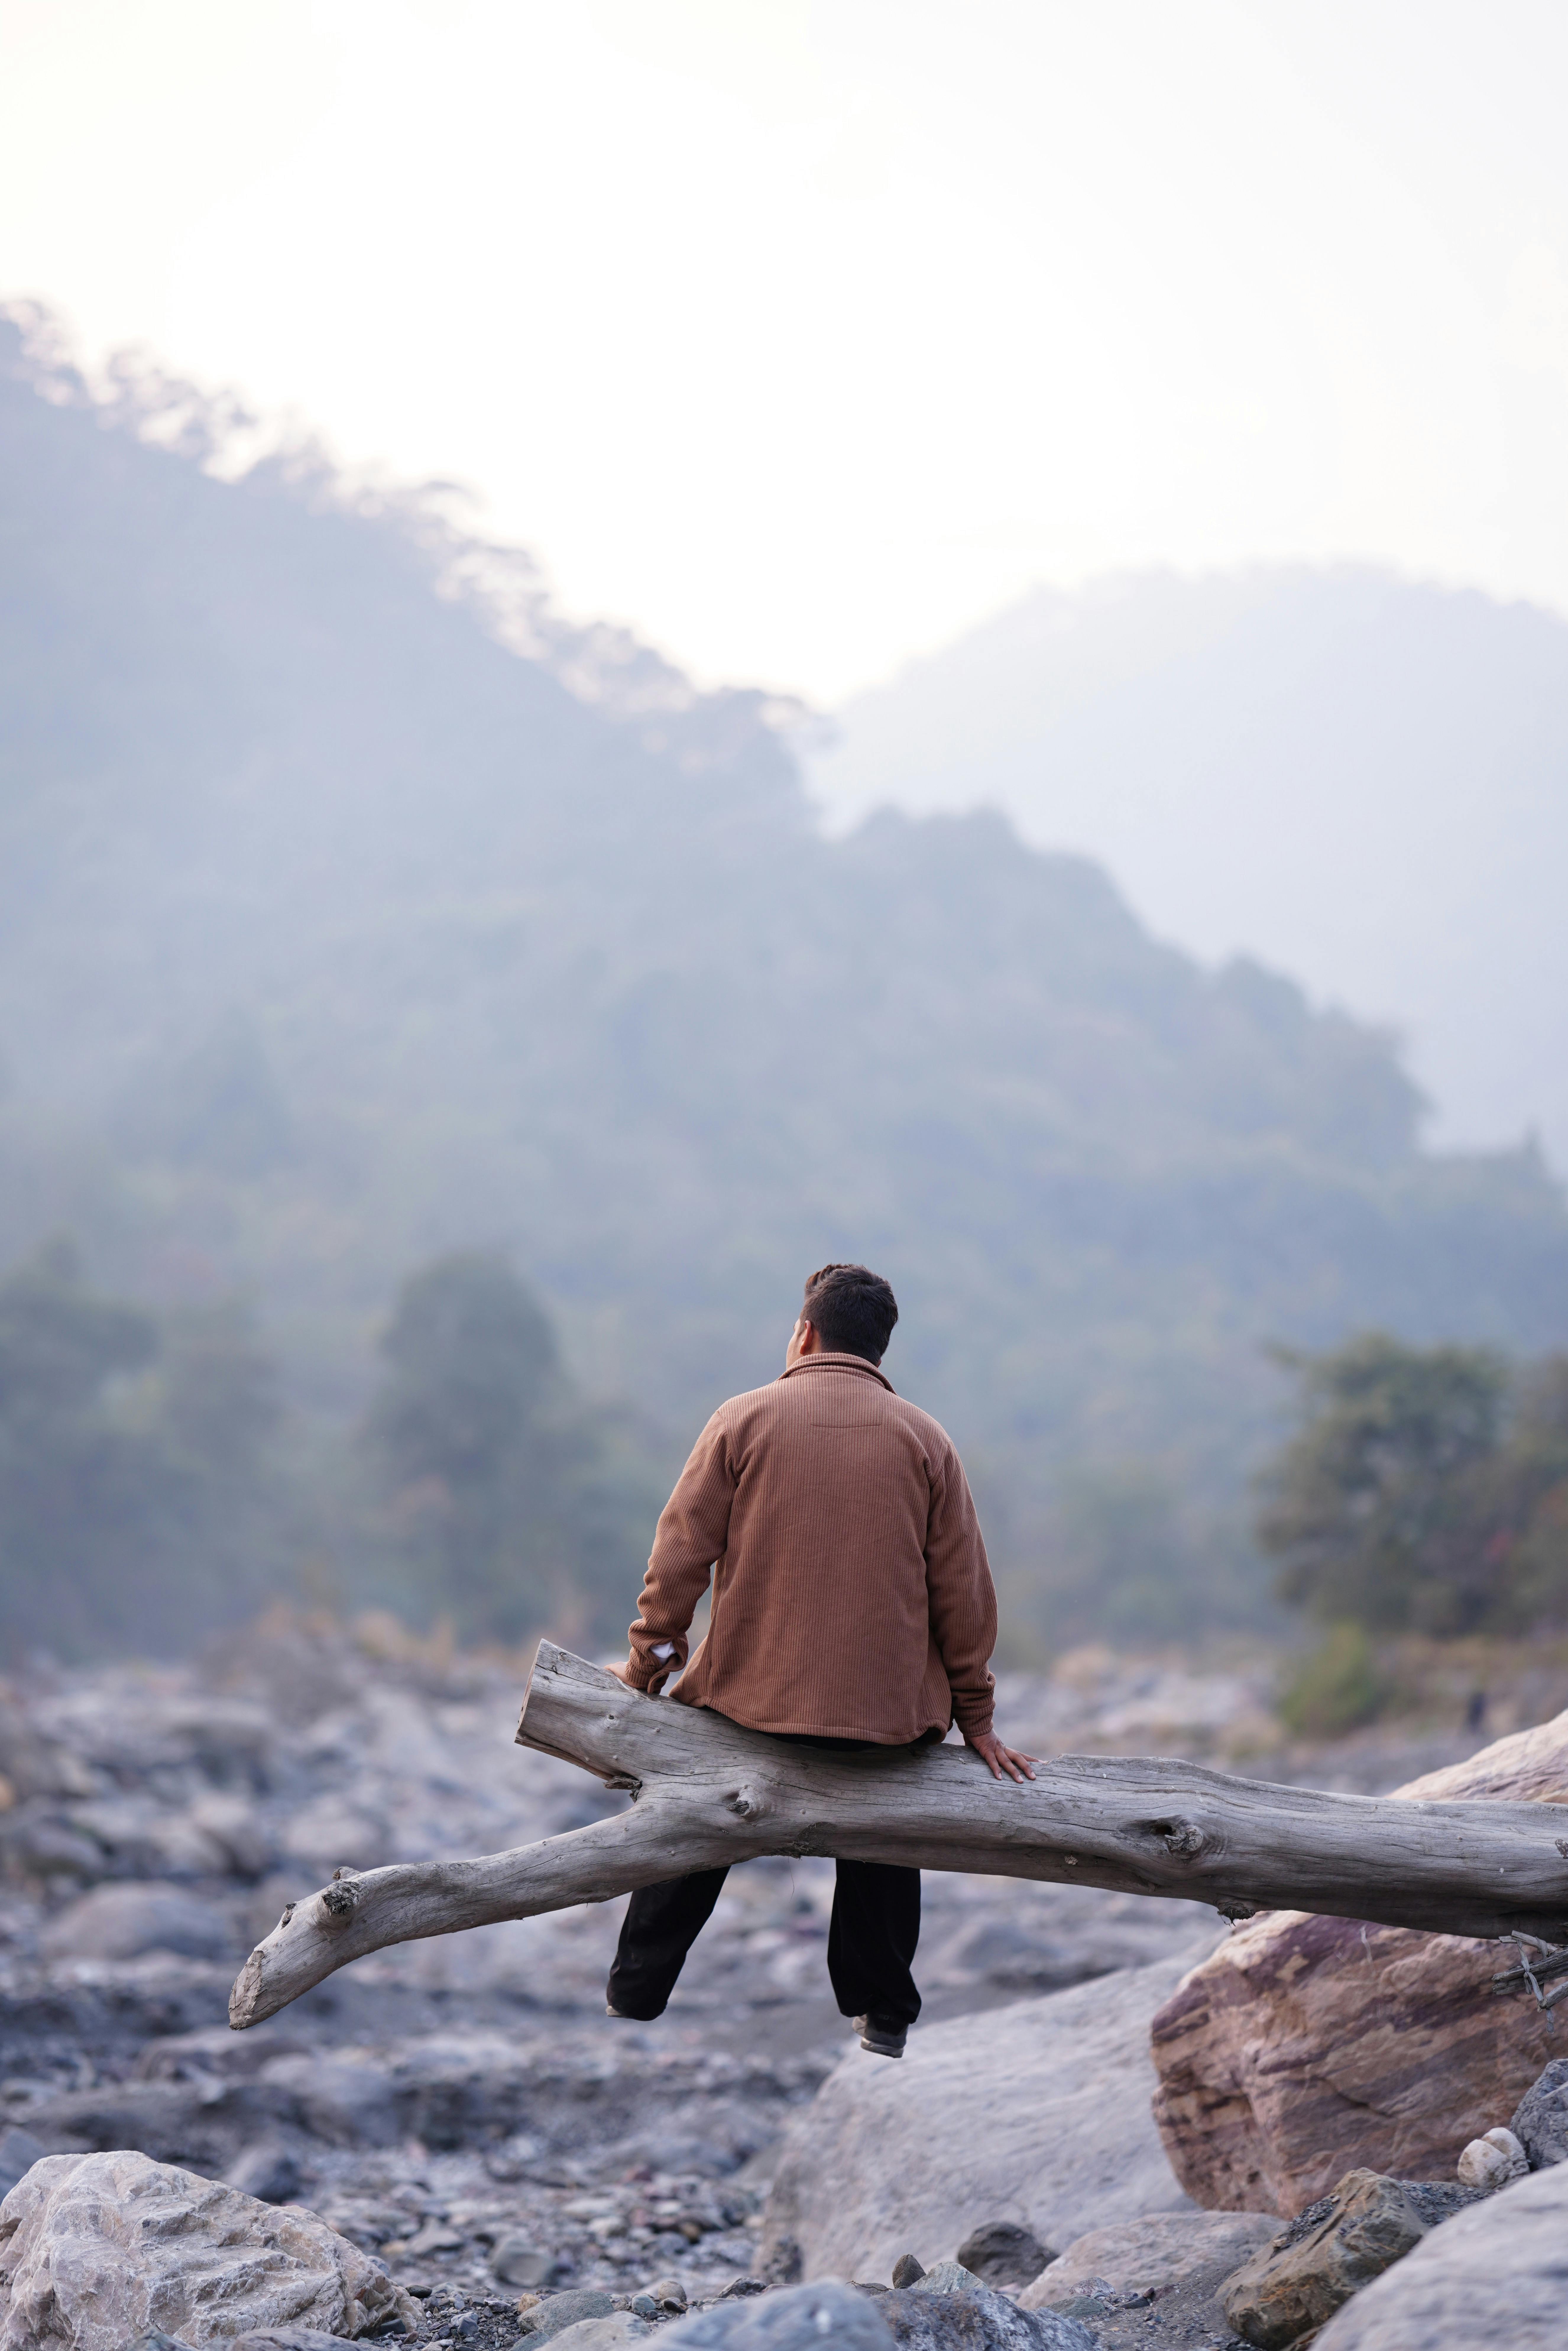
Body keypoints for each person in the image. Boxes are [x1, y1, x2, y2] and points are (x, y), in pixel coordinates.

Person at [604, 1261, 1036, 2057]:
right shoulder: (926, 1441)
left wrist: (644, 1675)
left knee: (698, 1795)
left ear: (804, 1333)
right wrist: (976, 1720)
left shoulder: (742, 1419)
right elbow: (965, 1597)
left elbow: (677, 1567)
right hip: (886, 1723)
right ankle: (884, 2013)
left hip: (751, 1708)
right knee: (885, 1820)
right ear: (879, 1350)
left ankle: (636, 1989)